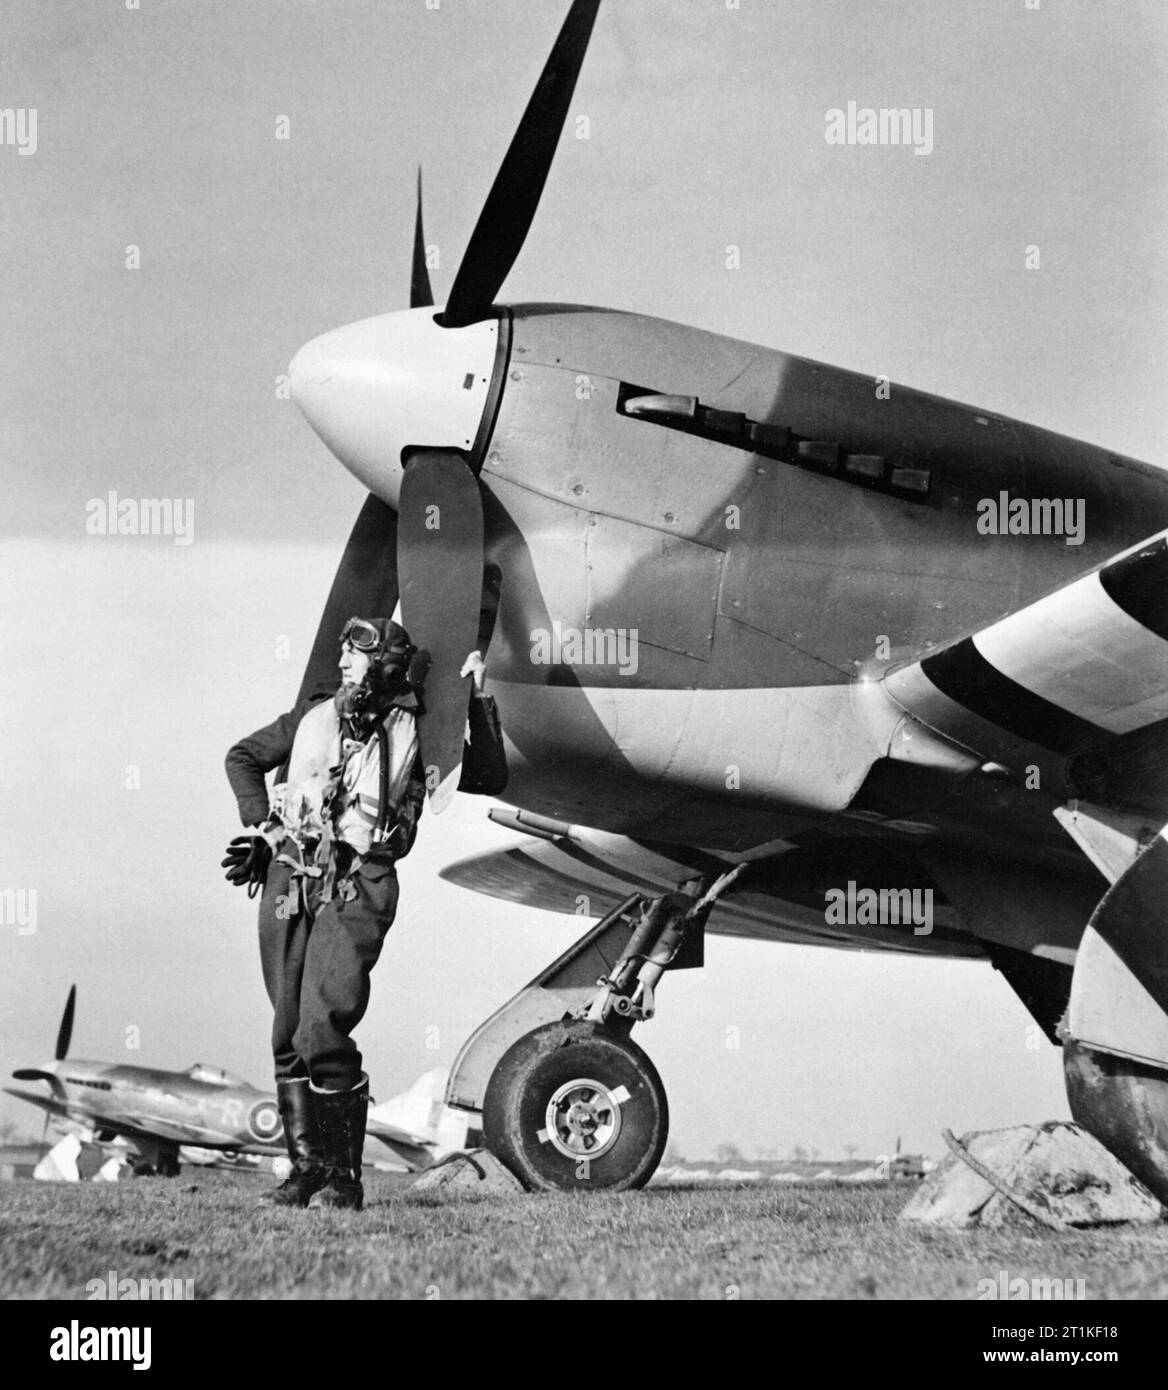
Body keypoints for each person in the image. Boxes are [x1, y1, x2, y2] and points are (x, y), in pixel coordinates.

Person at [223, 616, 505, 1211]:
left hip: (360, 881)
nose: (343, 664)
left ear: (382, 668)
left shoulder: (420, 727)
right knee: (287, 1034)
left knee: (321, 1027)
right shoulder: (313, 716)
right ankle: (306, 1173)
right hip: (289, 878)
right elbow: (243, 757)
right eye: (345, 656)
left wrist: (476, 695)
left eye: (354, 657)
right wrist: (258, 829)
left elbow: (489, 774)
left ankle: (344, 1180)